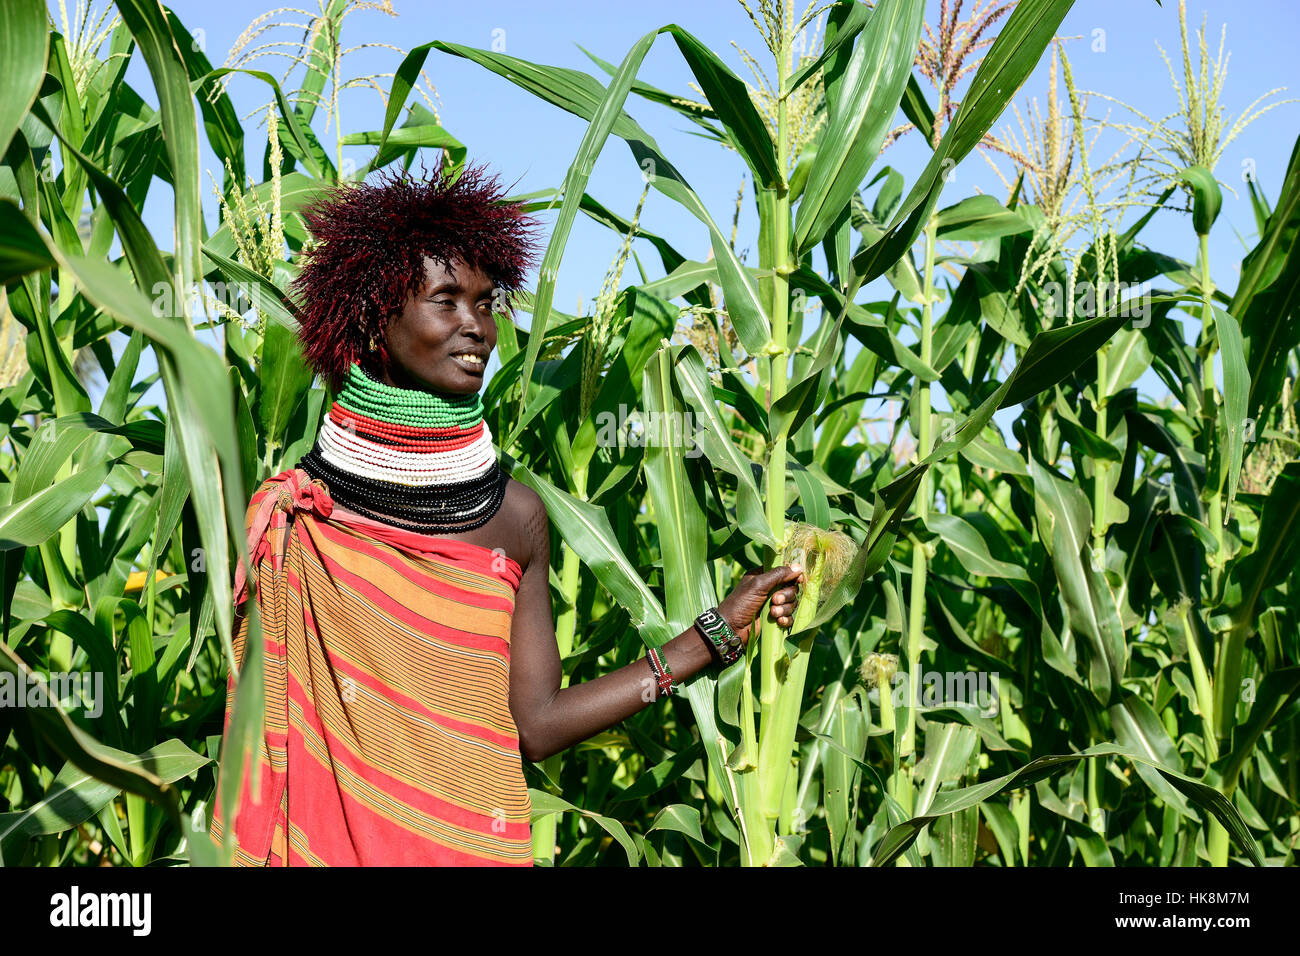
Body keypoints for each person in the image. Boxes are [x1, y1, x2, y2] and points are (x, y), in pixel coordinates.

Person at [209, 162, 806, 866]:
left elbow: (537, 725)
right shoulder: (300, 518)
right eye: (446, 301)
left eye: (487, 304)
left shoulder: (513, 516)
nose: (477, 329)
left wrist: (713, 637)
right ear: (374, 316)